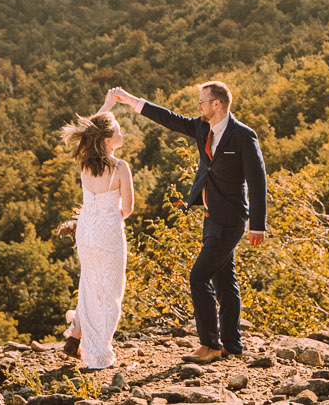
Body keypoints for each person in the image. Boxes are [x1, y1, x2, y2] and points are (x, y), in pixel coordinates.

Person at [104, 82, 266, 363]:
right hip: (210, 217)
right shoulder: (202, 128)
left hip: (232, 220)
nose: (198, 107)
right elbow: (169, 118)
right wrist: (132, 101)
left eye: (202, 102)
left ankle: (210, 345)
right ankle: (232, 345)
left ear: (217, 104)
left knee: (198, 276)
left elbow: (258, 181)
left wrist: (258, 224)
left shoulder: (243, 136)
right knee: (225, 280)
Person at [55, 109, 134, 369]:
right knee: (110, 292)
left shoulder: (86, 164)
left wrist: (108, 104)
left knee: (89, 287)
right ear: (109, 139)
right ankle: (99, 354)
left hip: (86, 231)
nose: (122, 132)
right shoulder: (120, 167)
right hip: (108, 232)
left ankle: (78, 337)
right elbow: (128, 209)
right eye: (118, 130)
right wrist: (111, 219)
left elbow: (92, 130)